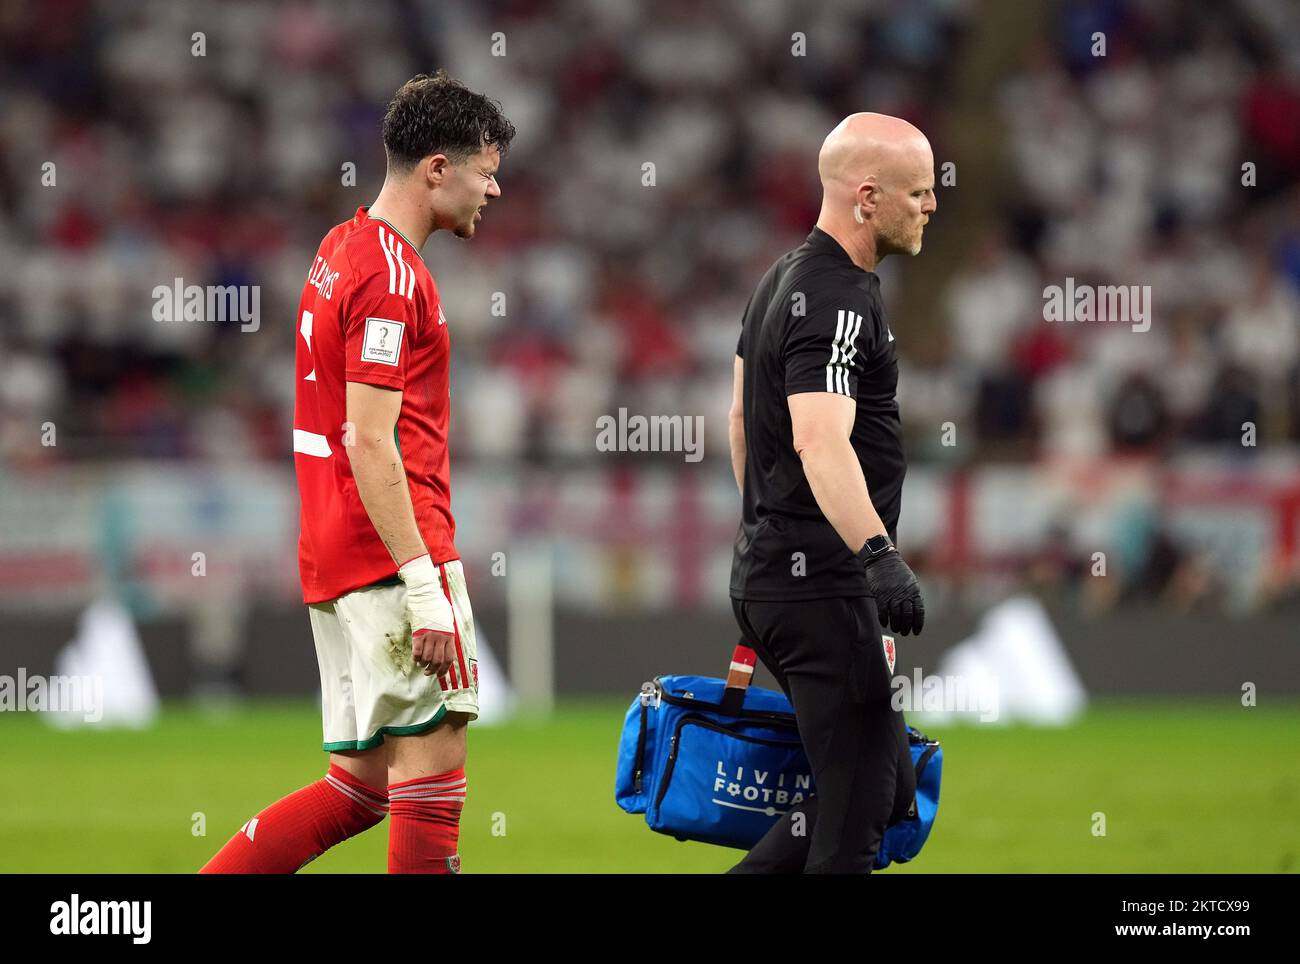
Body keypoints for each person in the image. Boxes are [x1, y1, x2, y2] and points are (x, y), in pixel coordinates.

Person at [201, 71, 515, 874]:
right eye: (484, 169)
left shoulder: (340, 249)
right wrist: (423, 585)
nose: (495, 187)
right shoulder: (390, 277)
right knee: (432, 784)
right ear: (437, 169)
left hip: (334, 555)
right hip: (391, 556)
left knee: (357, 788)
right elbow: (369, 440)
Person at [727, 112, 935, 873]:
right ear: (868, 195)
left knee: (883, 786)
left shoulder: (779, 278)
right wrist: (876, 554)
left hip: (783, 573)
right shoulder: (841, 296)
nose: (932, 205)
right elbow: (819, 438)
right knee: (858, 808)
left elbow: (740, 423)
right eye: (920, 191)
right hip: (818, 581)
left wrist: (763, 531)